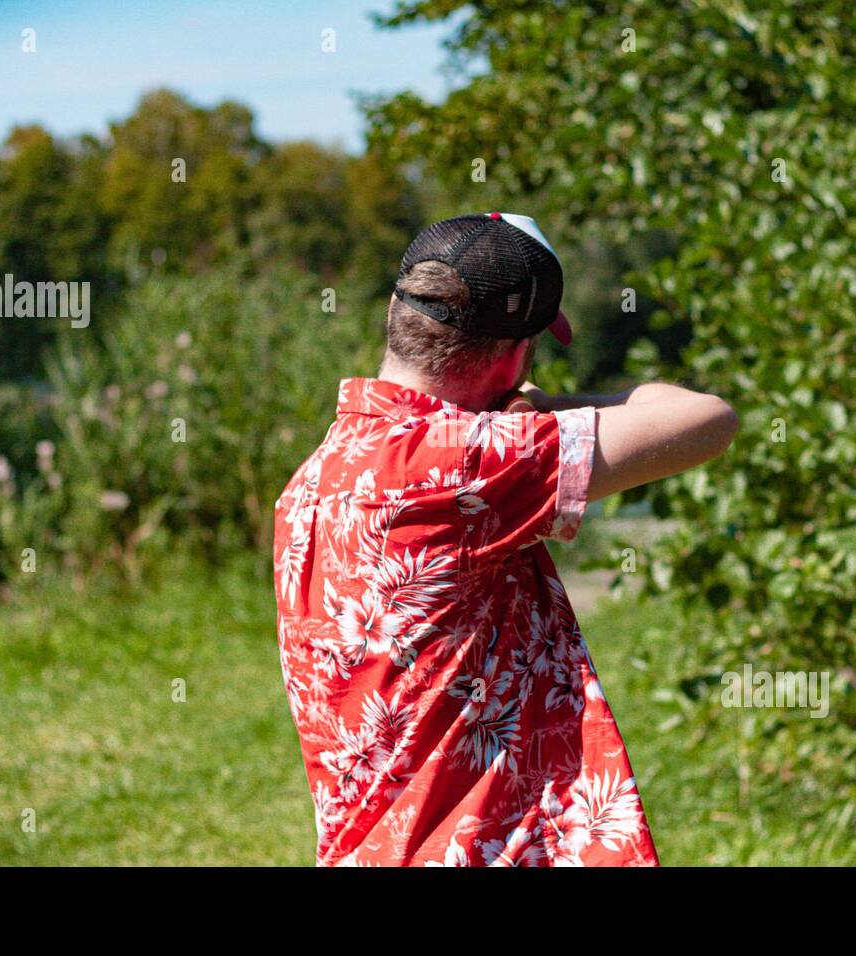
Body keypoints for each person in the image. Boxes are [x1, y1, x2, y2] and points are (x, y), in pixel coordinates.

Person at [273, 212, 738, 866]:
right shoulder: (468, 464)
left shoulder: (318, 474)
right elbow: (708, 419)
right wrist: (548, 409)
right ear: (518, 354)